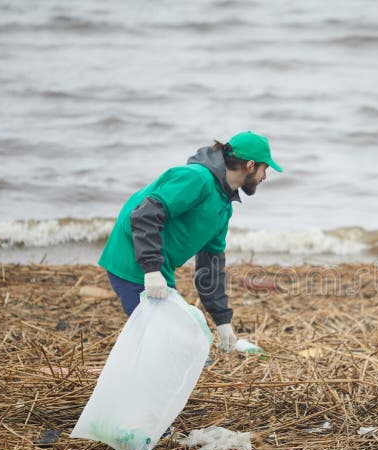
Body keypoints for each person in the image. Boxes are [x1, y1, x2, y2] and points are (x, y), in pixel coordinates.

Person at [98, 131, 282, 352]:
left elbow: (210, 267)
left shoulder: (224, 207)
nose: (265, 177)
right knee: (167, 348)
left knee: (188, 346)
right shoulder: (197, 178)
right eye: (265, 169)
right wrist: (151, 269)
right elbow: (144, 214)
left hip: (159, 269)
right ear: (251, 165)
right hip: (131, 262)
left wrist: (223, 321)